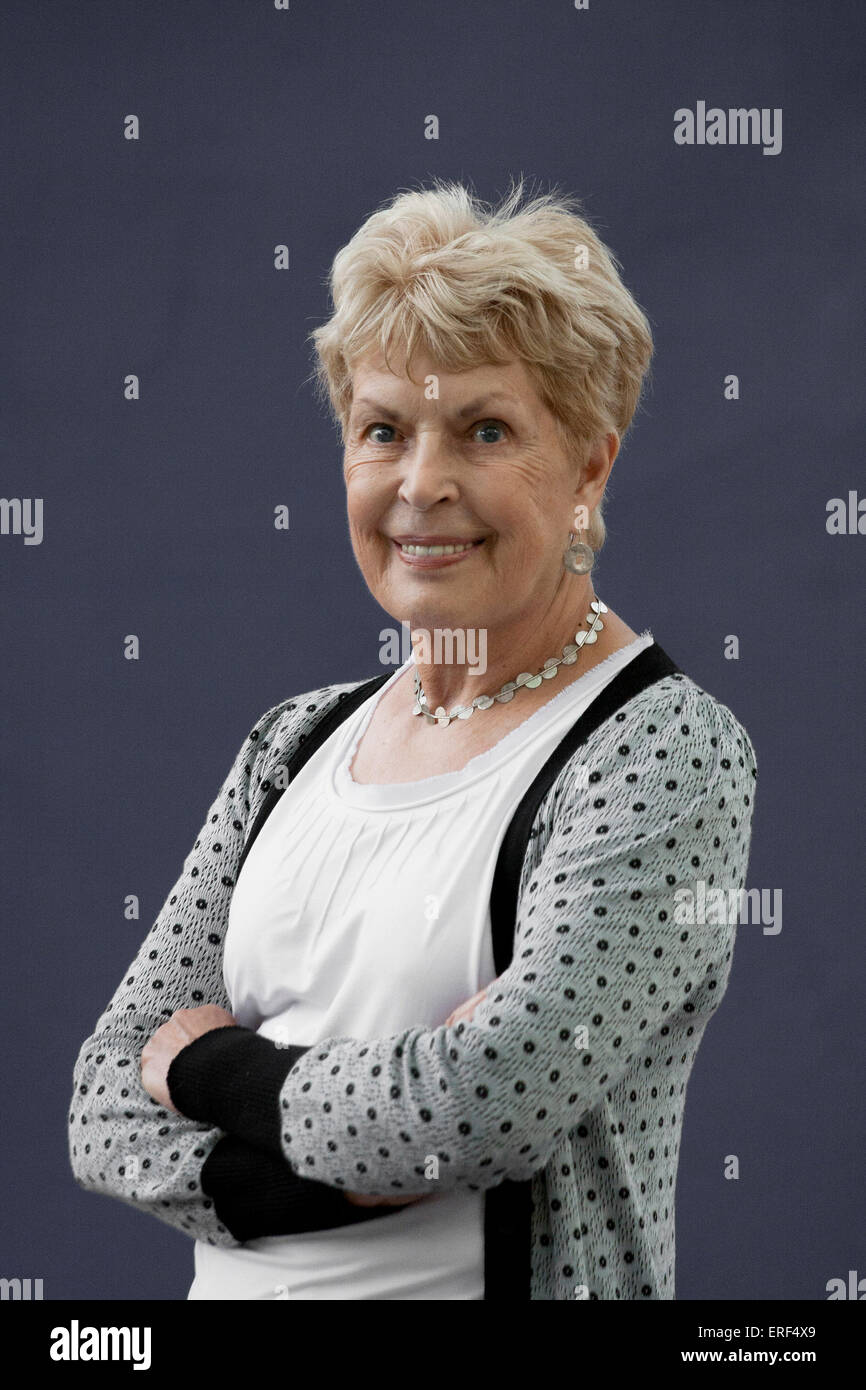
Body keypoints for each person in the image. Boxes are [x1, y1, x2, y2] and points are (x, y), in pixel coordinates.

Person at [69, 177, 757, 1300]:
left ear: (589, 466)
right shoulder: (290, 744)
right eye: (382, 429)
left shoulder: (658, 753)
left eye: (485, 429)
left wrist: (203, 1065)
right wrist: (349, 1156)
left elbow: (482, 1107)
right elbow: (100, 1104)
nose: (420, 482)